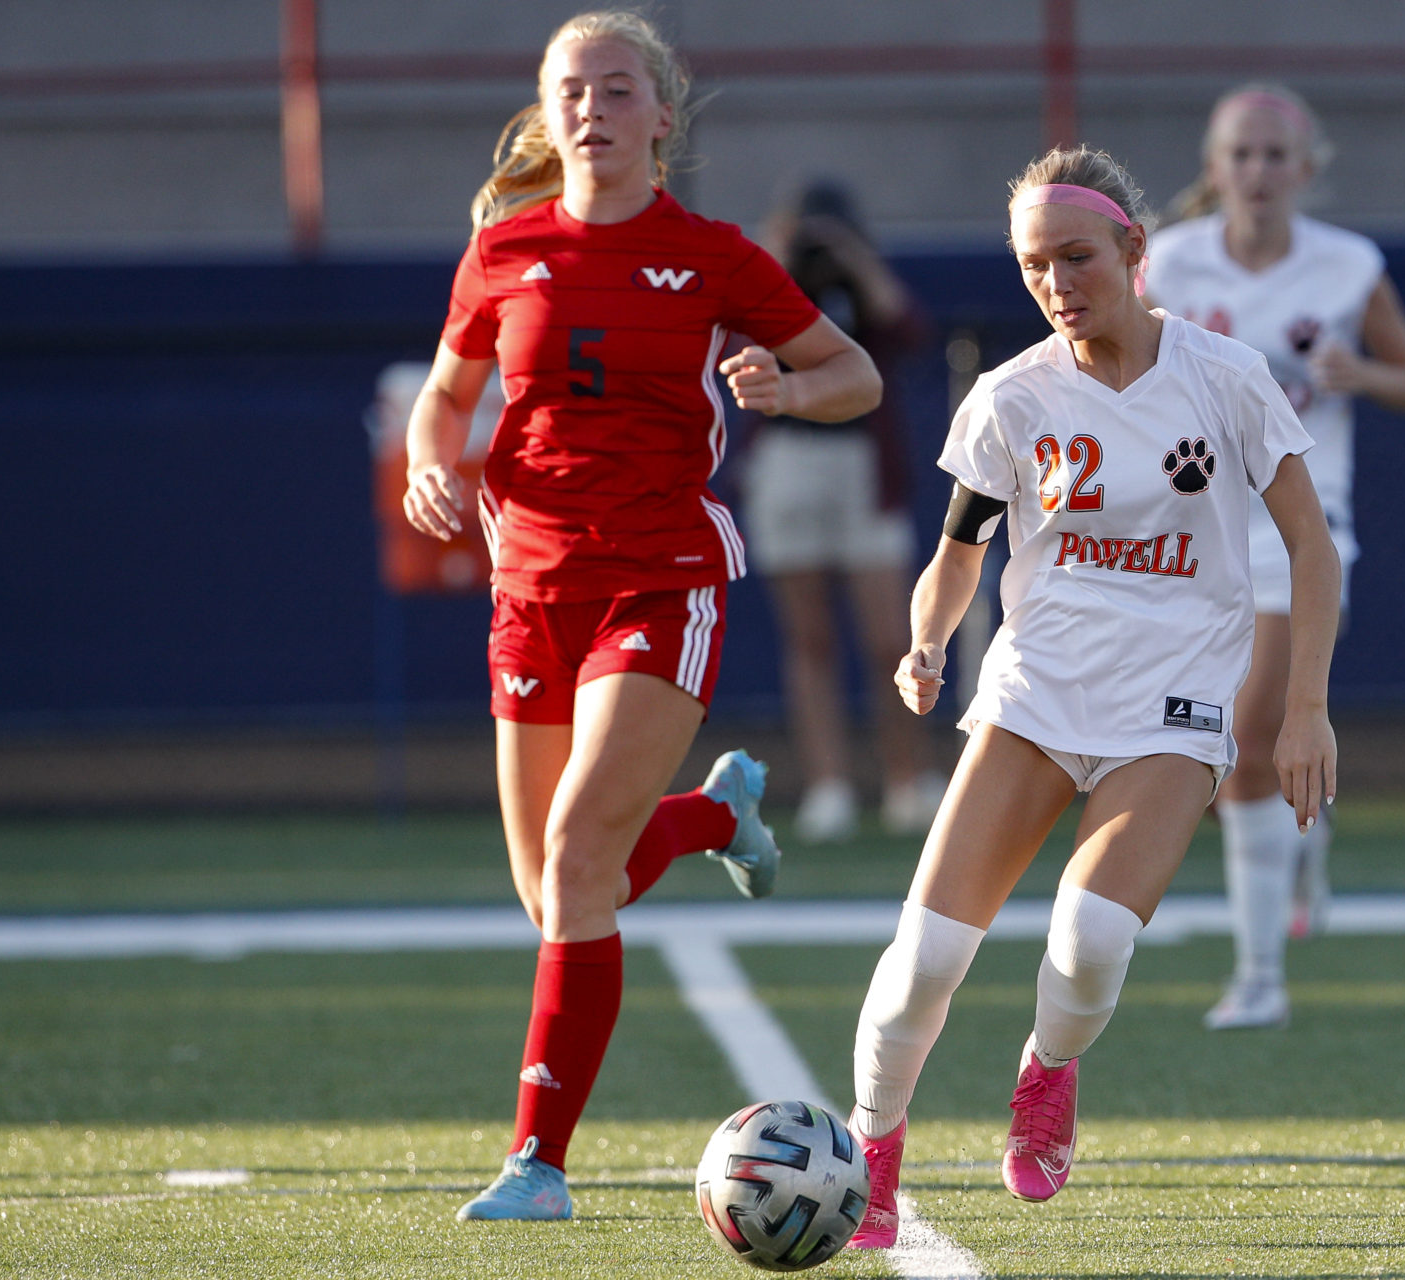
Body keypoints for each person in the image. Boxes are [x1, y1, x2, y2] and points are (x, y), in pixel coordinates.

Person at [402, 11, 881, 1222]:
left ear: (661, 116)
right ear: (546, 108)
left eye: (617, 91)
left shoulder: (712, 255)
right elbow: (448, 392)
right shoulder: (503, 250)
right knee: (562, 886)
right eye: (572, 89)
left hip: (659, 576)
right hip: (530, 590)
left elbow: (855, 374)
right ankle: (719, 811)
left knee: (576, 864)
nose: (591, 110)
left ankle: (538, 1163)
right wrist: (432, 460)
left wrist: (788, 385)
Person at [843, 144, 1340, 1248]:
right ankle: (871, 1151)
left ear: (1133, 251)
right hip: (1035, 694)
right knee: (926, 956)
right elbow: (959, 551)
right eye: (1033, 266)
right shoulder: (1010, 398)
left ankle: (1047, 1069)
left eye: (1077, 257)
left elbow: (1311, 545)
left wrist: (1304, 705)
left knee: (1087, 938)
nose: (1057, 284)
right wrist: (927, 640)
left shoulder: (1225, 377)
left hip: (1175, 704)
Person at [1144, 84, 1405, 1030]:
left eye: (1276, 155)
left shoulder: (1348, 265)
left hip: (1301, 529)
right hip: (1194, 530)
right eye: (1241, 154)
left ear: (1306, 168)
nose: (1258, 172)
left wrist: (1363, 373)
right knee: (1216, 741)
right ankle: (1298, 848)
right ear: (1214, 167)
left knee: (1251, 736)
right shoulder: (1173, 262)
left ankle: (1260, 975)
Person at [741, 178, 948, 842]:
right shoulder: (777, 280)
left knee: (893, 637)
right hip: (789, 463)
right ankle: (828, 787)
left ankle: (906, 780)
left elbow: (909, 328)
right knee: (810, 641)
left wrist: (854, 257)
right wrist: (779, 249)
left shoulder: (865, 282)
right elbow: (735, 329)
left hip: (863, 468)